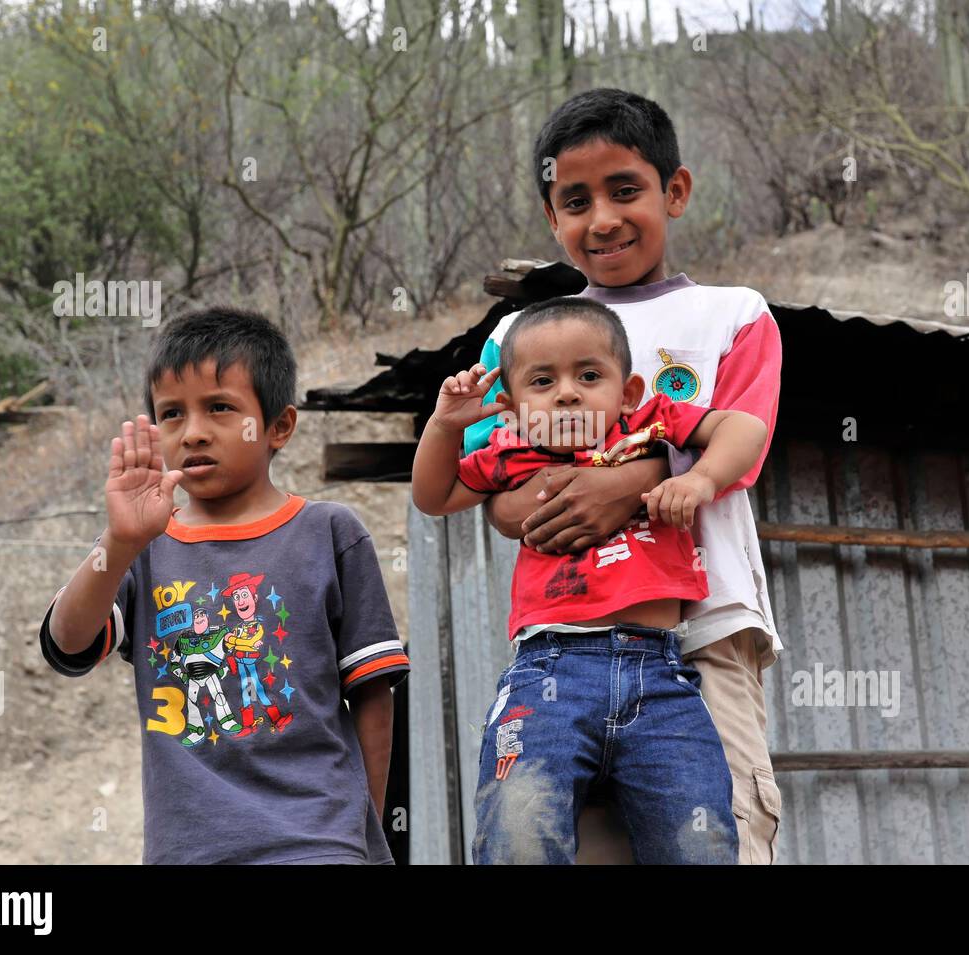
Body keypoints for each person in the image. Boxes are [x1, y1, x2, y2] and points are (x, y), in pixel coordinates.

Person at [464, 88, 785, 864]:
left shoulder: (733, 314)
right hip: (565, 641)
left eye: (625, 190)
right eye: (576, 200)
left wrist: (626, 483)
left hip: (706, 624)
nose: (601, 217)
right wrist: (545, 498)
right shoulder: (518, 336)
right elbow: (491, 485)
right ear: (552, 218)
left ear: (675, 191)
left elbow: (744, 442)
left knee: (722, 837)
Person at [39, 307, 408, 865]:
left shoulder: (331, 534)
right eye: (170, 414)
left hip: (315, 843)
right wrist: (118, 542)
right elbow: (65, 646)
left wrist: (363, 835)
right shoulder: (140, 547)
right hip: (188, 850)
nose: (192, 432)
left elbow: (374, 697)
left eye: (219, 408)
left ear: (279, 426)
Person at [413, 296, 768, 864]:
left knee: (700, 840)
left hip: (663, 677)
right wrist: (443, 425)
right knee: (518, 834)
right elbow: (433, 497)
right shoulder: (512, 453)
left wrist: (699, 480)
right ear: (511, 405)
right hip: (548, 671)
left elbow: (744, 428)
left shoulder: (650, 425)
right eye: (542, 380)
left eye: (588, 374)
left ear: (627, 391)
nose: (567, 392)